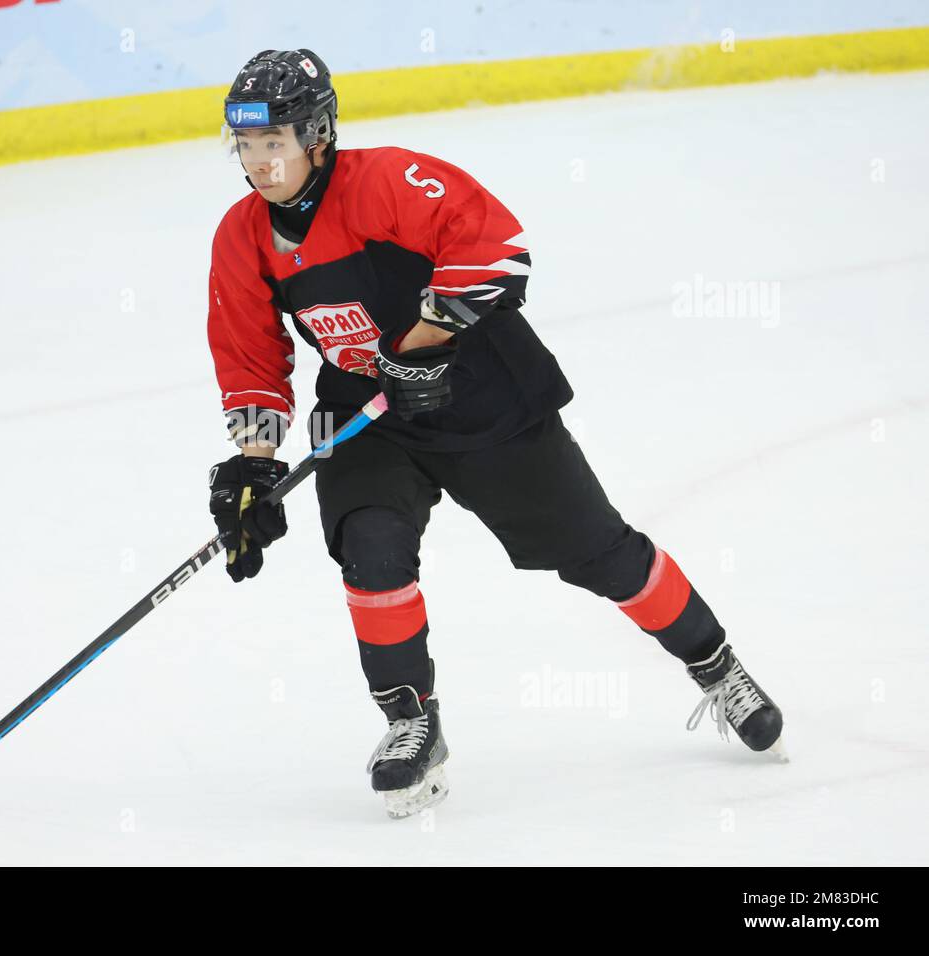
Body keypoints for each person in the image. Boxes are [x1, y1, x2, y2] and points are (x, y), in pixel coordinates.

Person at [205, 49, 784, 818]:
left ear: (316, 135)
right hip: (367, 414)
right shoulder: (242, 235)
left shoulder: (387, 182)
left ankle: (715, 665)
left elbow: (495, 245)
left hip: (483, 394)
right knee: (371, 550)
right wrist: (253, 462)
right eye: (245, 147)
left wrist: (423, 341)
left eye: (273, 143)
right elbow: (247, 349)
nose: (258, 164)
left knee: (601, 552)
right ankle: (413, 723)